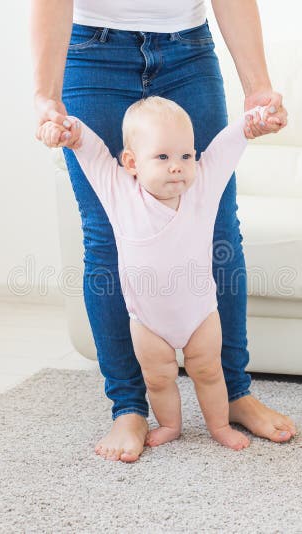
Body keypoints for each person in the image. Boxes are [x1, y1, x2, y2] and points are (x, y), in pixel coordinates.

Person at [30, 0, 297, 462]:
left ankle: (234, 392)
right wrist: (47, 95)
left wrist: (258, 89)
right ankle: (129, 407)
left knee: (219, 228)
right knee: (104, 235)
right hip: (92, 51)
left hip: (187, 48)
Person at [38, 96, 270, 450]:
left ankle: (220, 426)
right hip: (147, 321)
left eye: (186, 156)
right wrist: (73, 133)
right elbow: (94, 154)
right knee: (158, 379)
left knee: (208, 372)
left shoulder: (201, 191)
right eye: (162, 157)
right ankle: (171, 426)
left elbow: (224, 149)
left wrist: (248, 125)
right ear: (132, 162)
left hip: (201, 316)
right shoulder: (120, 194)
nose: (177, 167)